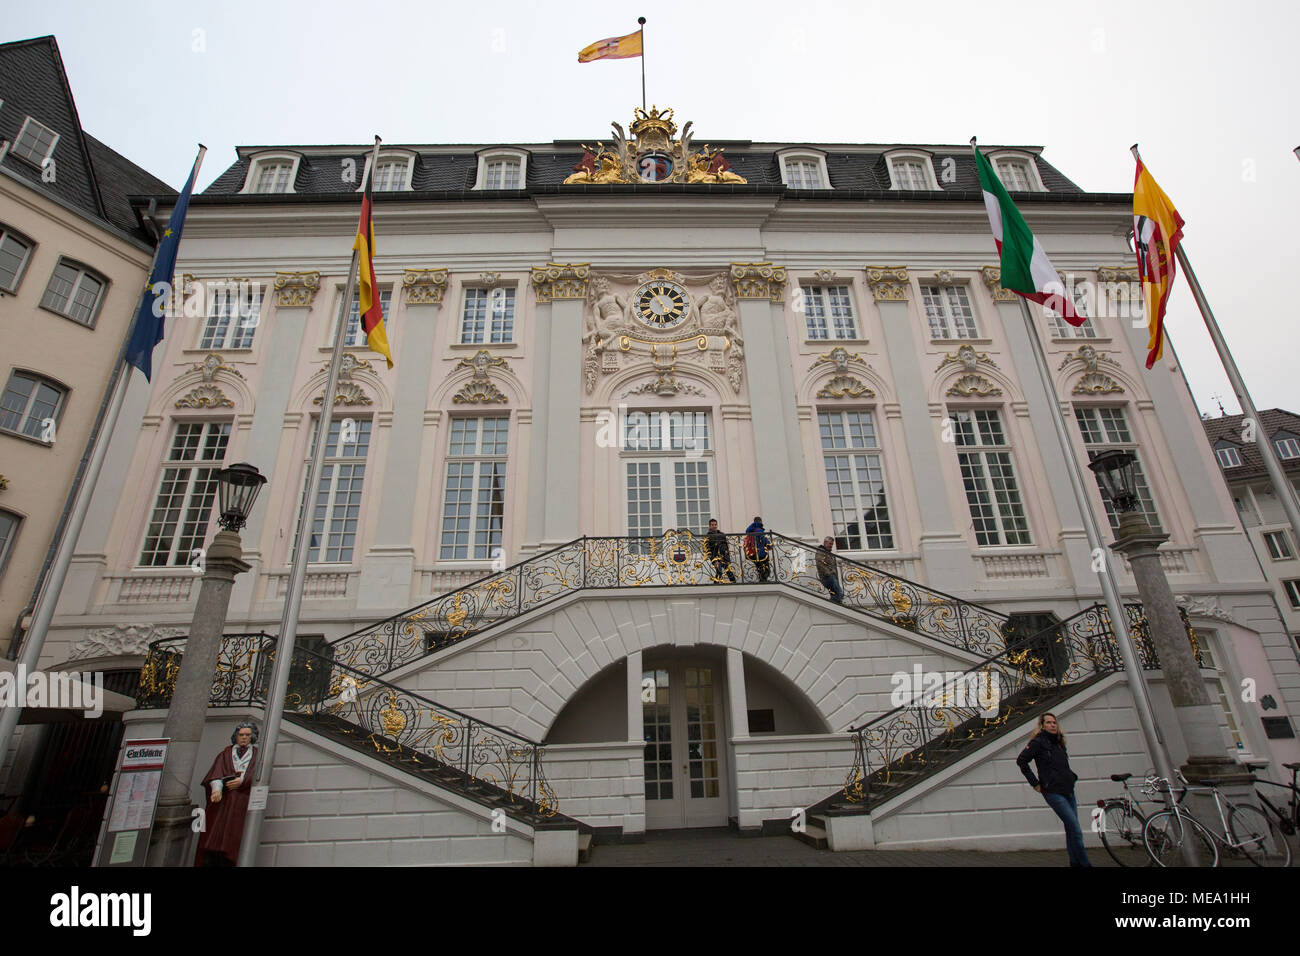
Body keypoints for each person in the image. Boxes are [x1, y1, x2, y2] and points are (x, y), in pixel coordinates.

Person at [1016, 713, 1091, 867]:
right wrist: (1035, 783)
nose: (1052, 725)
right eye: (1049, 722)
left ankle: (1075, 863)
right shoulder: (1038, 742)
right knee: (1076, 830)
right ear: (1042, 725)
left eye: (1054, 722)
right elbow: (1022, 760)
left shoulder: (1059, 742)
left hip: (1068, 789)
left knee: (1071, 830)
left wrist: (1071, 777)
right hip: (1053, 791)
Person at [195, 721, 259, 866]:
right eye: (241, 735)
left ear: (252, 737)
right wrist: (216, 789)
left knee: (235, 835)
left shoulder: (256, 755)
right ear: (236, 736)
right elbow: (215, 773)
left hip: (241, 803)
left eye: (247, 735)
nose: (243, 738)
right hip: (222, 803)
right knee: (213, 833)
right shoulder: (225, 754)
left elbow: (258, 775)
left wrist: (243, 781)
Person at [703, 519, 737, 583]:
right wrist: (713, 560)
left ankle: (734, 585)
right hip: (715, 557)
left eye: (715, 524)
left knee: (730, 572)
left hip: (724, 557)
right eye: (712, 525)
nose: (714, 526)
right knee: (719, 571)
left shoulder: (722, 534)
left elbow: (726, 547)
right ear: (709, 526)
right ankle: (716, 586)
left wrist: (728, 558)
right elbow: (708, 549)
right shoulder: (708, 536)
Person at [815, 536, 844, 603]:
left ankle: (833, 605)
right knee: (840, 594)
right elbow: (820, 563)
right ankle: (832, 603)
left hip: (832, 577)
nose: (831, 546)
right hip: (827, 577)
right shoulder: (821, 551)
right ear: (825, 543)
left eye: (832, 544)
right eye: (830, 544)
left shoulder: (829, 553)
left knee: (835, 595)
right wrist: (829, 573)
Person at [744, 517, 772, 582]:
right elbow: (763, 539)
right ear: (760, 522)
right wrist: (769, 544)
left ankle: (761, 579)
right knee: (766, 568)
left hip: (752, 552)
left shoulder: (750, 530)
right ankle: (763, 580)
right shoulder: (759, 530)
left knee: (759, 566)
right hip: (760, 552)